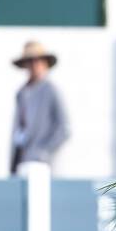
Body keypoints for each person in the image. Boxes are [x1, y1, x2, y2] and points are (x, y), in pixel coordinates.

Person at [10, 41, 70, 174]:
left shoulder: (50, 90)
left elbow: (64, 129)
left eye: (37, 60)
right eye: (30, 61)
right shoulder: (21, 93)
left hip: (42, 166)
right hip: (23, 162)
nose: (34, 65)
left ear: (45, 63)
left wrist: (43, 152)